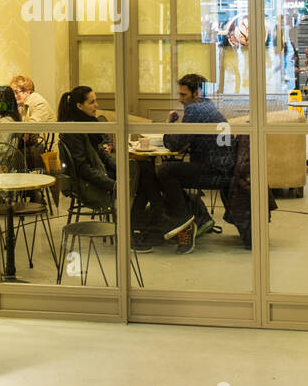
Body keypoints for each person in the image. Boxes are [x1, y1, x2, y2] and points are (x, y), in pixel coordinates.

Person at [56, 87, 158, 252]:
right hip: (87, 182)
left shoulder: (89, 124)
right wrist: (113, 184)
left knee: (143, 168)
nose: (96, 105)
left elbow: (102, 156)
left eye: (95, 101)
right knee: (142, 177)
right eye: (91, 102)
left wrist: (122, 169)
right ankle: (134, 229)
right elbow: (83, 169)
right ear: (79, 106)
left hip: (99, 172)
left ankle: (142, 222)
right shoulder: (74, 130)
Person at [156, 73, 236, 247]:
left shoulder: (195, 110)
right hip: (223, 169)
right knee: (173, 169)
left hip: (215, 173)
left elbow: (175, 145)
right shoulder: (207, 107)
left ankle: (183, 222)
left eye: (183, 95)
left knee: (165, 171)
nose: (180, 99)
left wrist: (168, 125)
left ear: (197, 93)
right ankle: (200, 217)